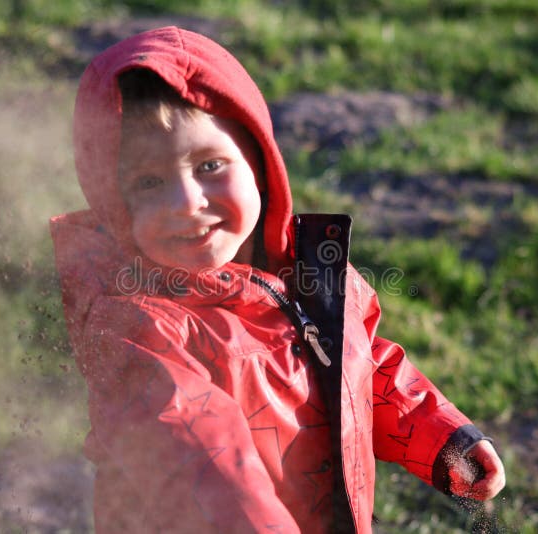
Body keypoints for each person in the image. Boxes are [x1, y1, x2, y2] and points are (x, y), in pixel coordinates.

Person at [50, 26, 505, 533]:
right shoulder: (135, 325)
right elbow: (197, 452)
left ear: (260, 163)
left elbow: (357, 363)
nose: (186, 202)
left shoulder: (306, 272)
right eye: (149, 182)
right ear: (113, 203)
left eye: (210, 165)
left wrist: (443, 440)